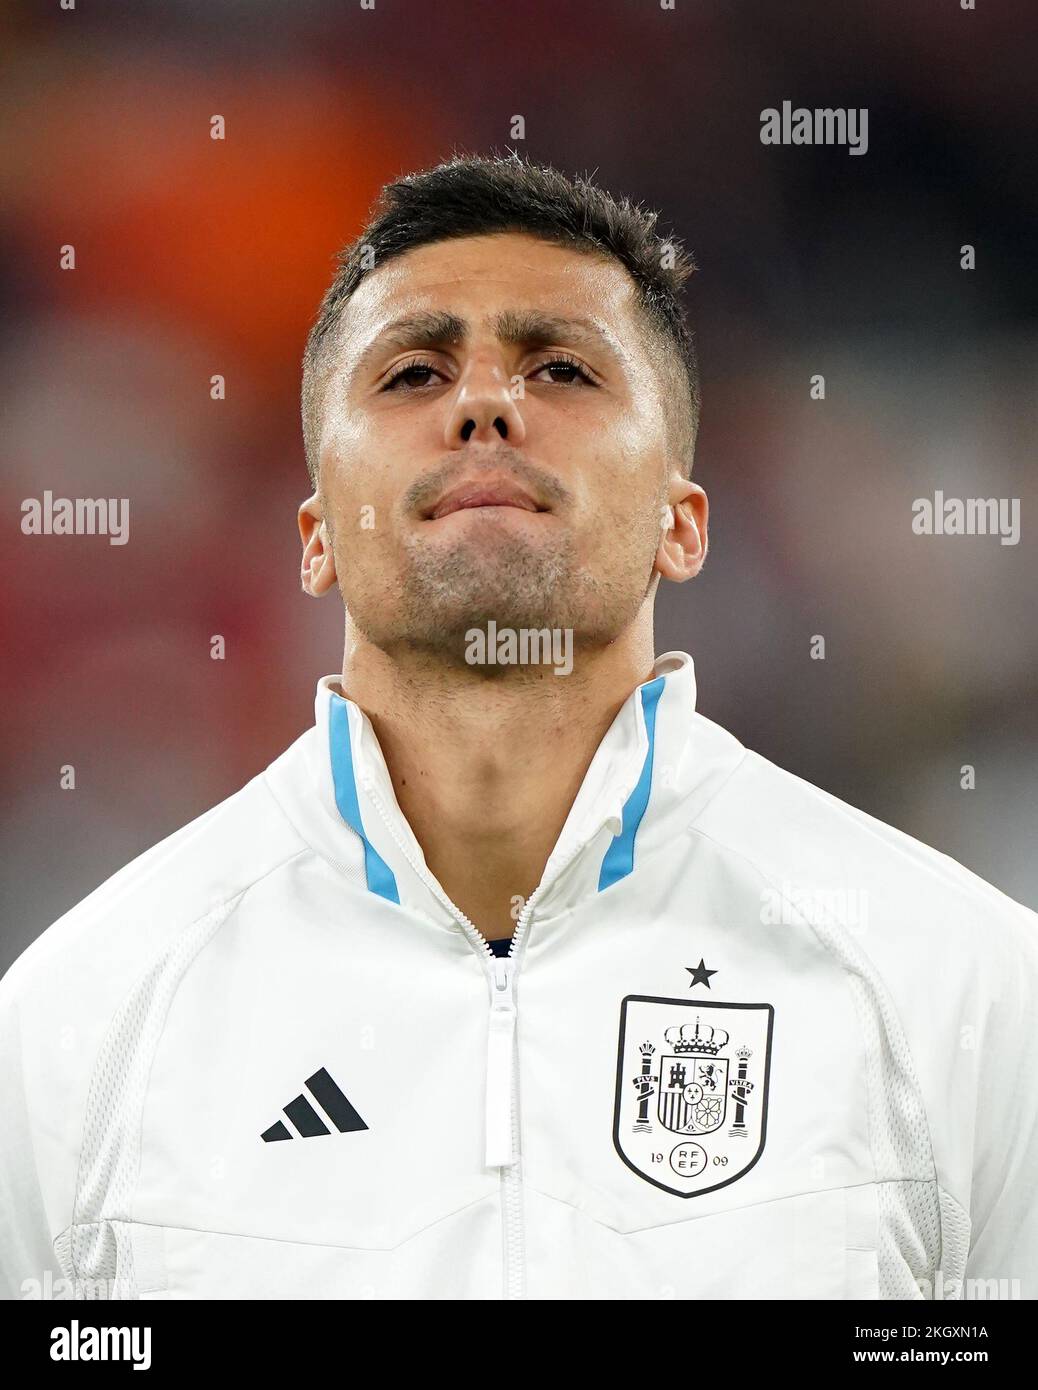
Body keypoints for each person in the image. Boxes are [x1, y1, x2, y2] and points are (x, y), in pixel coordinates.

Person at [1, 154, 1035, 1301]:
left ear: (683, 524)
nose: (485, 402)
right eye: (410, 374)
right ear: (314, 538)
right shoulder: (79, 1023)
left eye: (560, 366)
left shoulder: (963, 991)